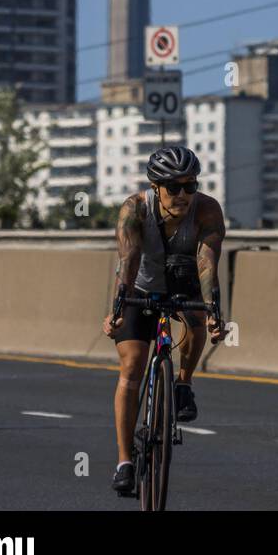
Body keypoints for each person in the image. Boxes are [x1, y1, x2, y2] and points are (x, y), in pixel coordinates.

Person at [102, 145, 227, 496]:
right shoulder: (135, 209)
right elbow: (127, 258)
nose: (183, 195)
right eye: (174, 187)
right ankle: (125, 462)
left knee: (196, 316)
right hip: (140, 285)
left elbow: (207, 264)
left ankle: (183, 384)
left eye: (191, 186)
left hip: (184, 279)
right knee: (133, 366)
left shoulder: (207, 209)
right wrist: (116, 307)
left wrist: (213, 309)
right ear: (156, 187)